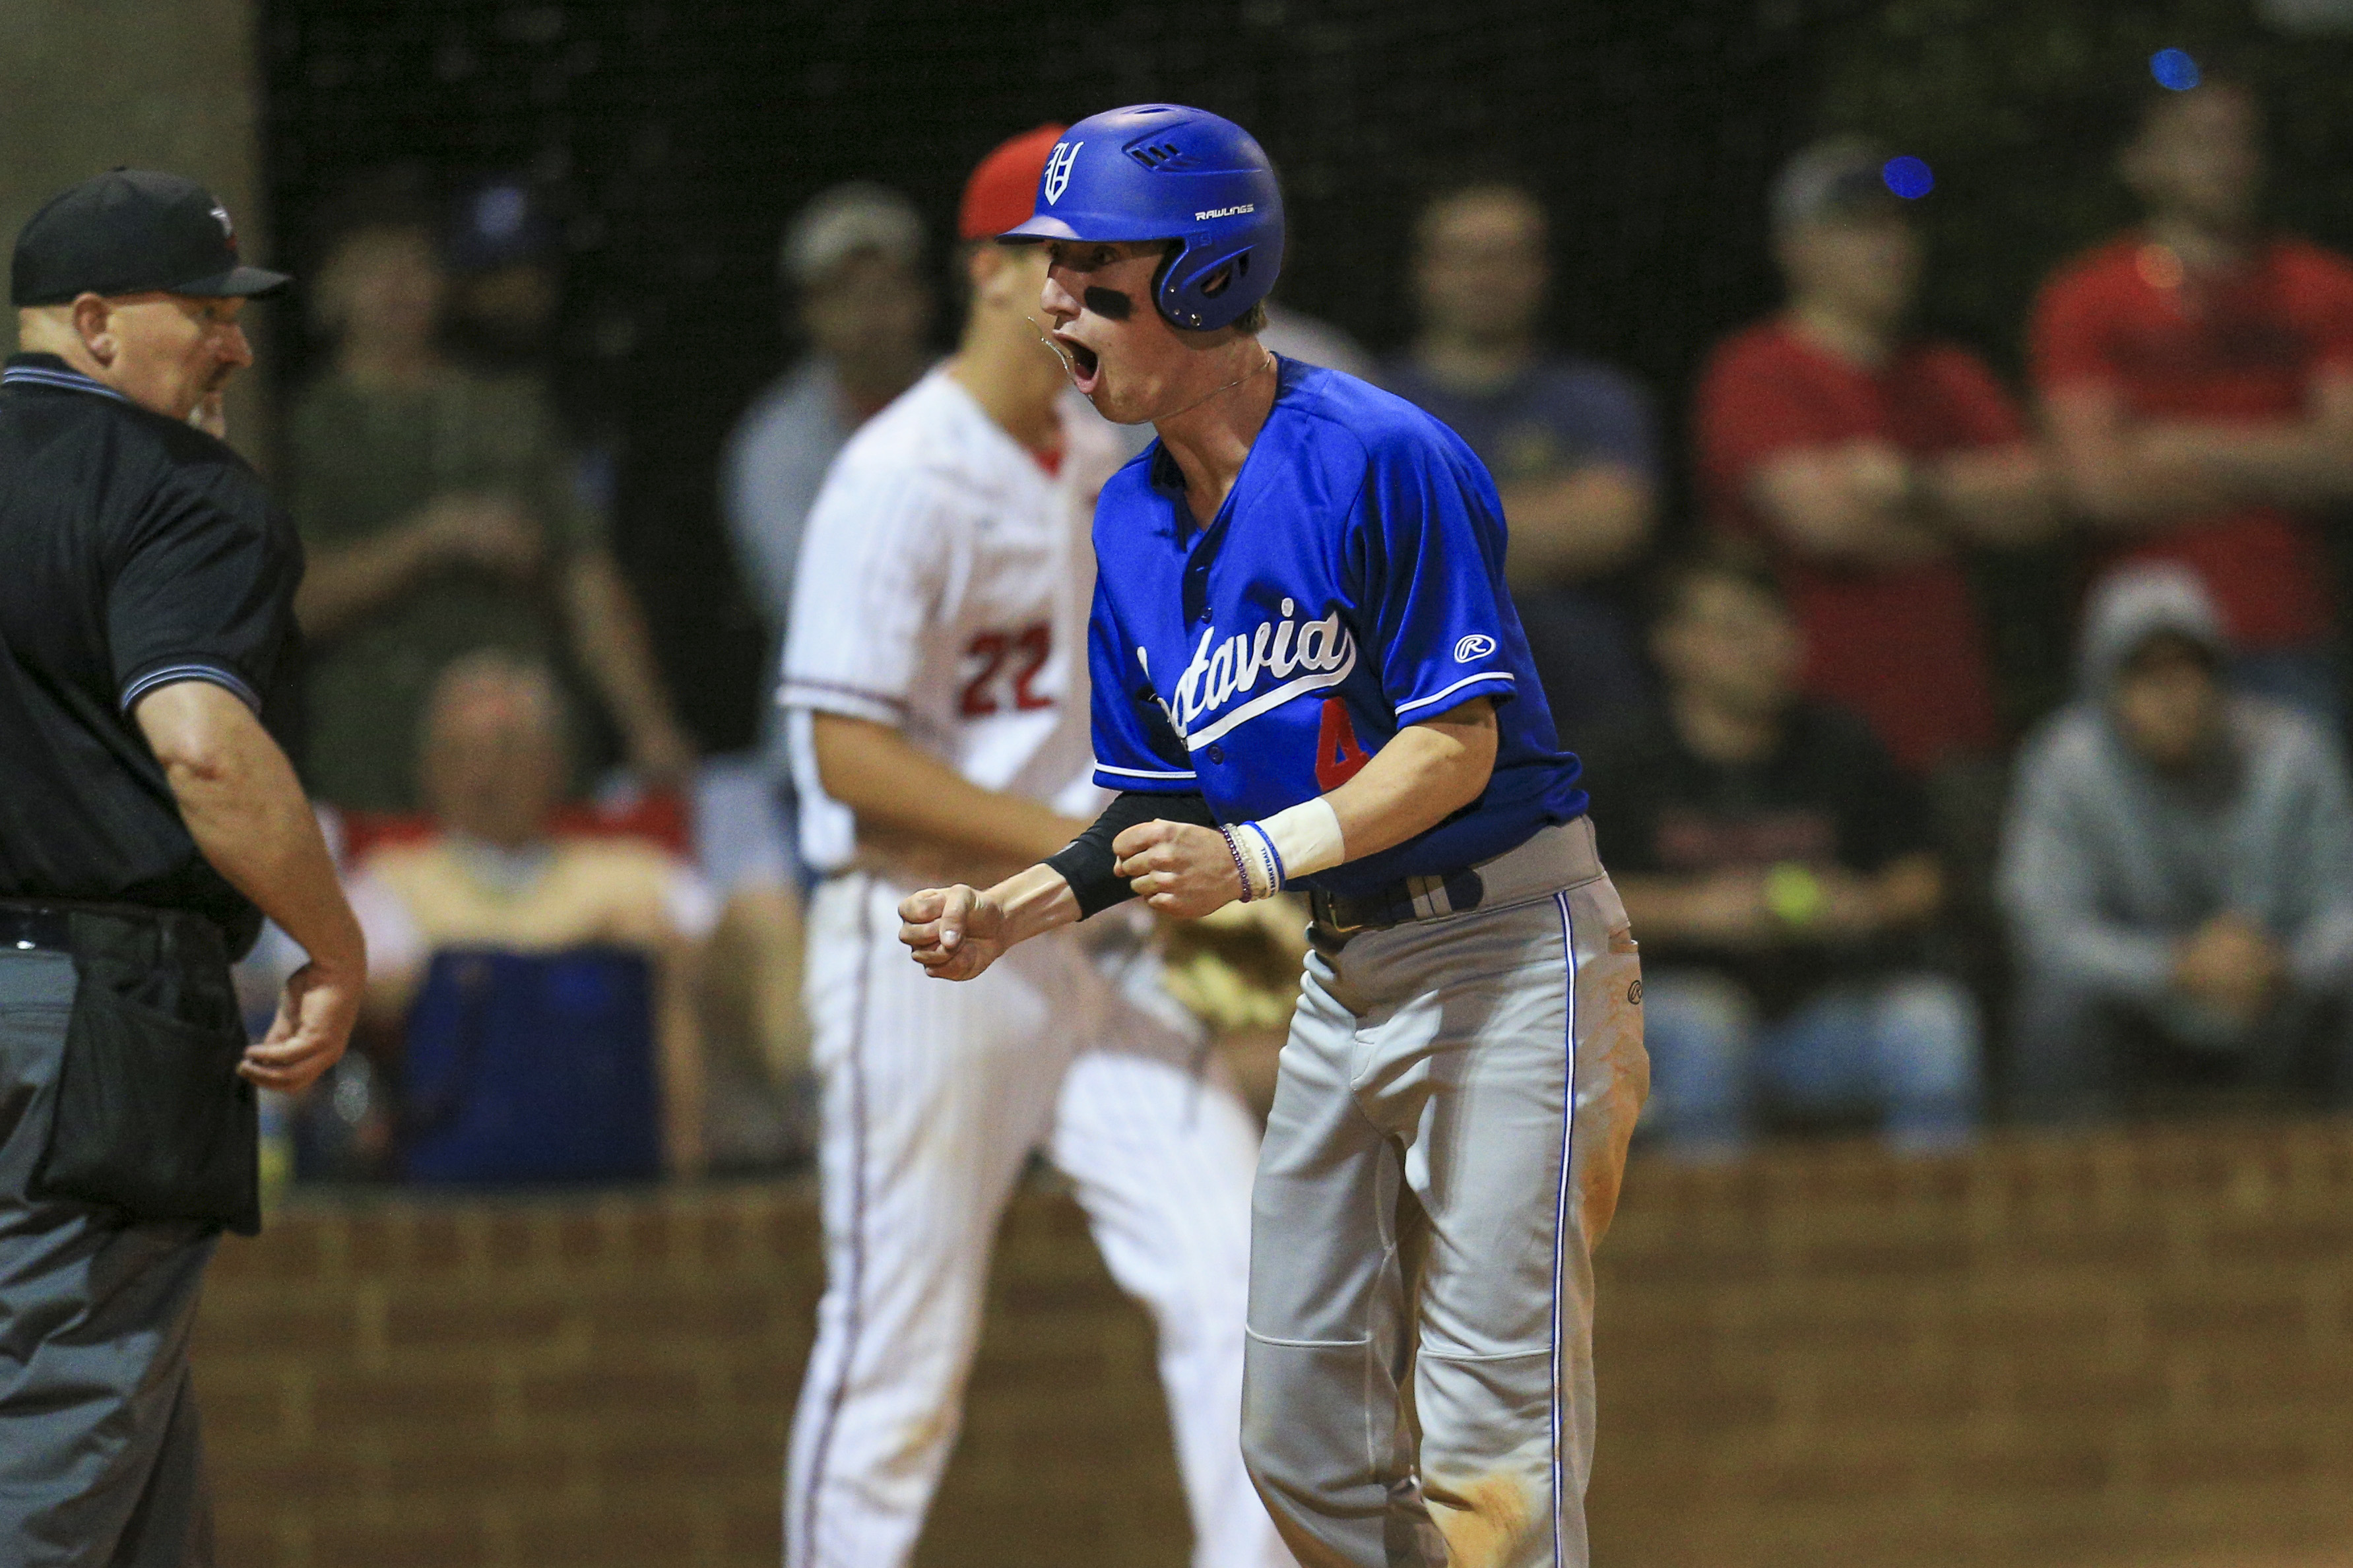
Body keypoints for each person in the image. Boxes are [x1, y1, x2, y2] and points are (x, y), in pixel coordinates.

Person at [905, 106, 1650, 1568]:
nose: (1050, 300)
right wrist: (1024, 906)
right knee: (1296, 1440)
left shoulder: (1380, 454)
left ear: (1200, 274)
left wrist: (1252, 862)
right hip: (1350, 967)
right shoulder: (1127, 520)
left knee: (1494, 1426)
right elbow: (1160, 797)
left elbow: (1456, 741)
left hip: (1514, 952)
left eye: (1087, 268)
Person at [777, 128, 1289, 1568]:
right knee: (901, 1351)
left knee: (1239, 1280)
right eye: (1078, 259)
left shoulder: (1100, 453)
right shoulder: (898, 475)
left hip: (1097, 948)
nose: (1107, 285)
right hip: (927, 946)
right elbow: (848, 764)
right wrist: (1099, 846)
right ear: (995, 273)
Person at [0, 169, 362, 1565]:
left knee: (127, 1466)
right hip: (88, 1014)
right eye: (204, 313)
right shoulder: (179, 487)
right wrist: (333, 946)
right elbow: (205, 748)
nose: (237, 347)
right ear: (92, 323)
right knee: (58, 1445)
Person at [286, 185, 693, 811]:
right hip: (375, 766)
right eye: (372, 269)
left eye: (415, 266)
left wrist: (649, 726)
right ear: (329, 291)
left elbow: (585, 575)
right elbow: (294, 605)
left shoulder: (511, 410)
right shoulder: (305, 427)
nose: (397, 288)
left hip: (530, 752)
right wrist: (433, 540)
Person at [1580, 548, 1980, 1156]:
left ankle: (1935, 1239)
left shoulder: (1840, 744)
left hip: (1818, 1009)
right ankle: (1715, 1247)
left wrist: (1863, 903)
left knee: (1932, 1021)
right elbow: (1560, 898)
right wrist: (1697, 911)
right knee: (1709, 1025)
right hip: (1673, 1012)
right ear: (1673, 645)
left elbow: (1923, 874)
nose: (1766, 648)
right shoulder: (1621, 760)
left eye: (1777, 627)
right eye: (1736, 631)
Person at [1695, 138, 2055, 778]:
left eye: (1898, 224)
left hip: (1954, 726)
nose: (1889, 246)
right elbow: (1827, 524)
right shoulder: (1755, 371)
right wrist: (1966, 511)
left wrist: (1910, 484)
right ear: (1793, 248)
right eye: (1857, 226)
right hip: (1804, 743)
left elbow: (2039, 504)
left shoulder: (1950, 371)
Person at [2033, 75, 2353, 722]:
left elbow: (2344, 462)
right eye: (2195, 142)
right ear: (2138, 163)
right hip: (2137, 651)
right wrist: (2284, 460)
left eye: (2237, 141)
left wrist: (2176, 446)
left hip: (2284, 634)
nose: (2223, 161)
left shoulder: (2322, 288)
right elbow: (2098, 487)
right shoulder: (2083, 299)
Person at [2000, 565, 2353, 1121]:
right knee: (2058, 1009)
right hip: (2141, 1009)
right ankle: (2066, 1201)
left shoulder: (2293, 752)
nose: (2173, 695)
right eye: (2145, 673)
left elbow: (2344, 907)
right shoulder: (2064, 763)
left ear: (2221, 675)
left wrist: (2288, 964)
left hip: (2275, 999)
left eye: (2189, 667)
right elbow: (2043, 926)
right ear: (2103, 685)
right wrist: (2170, 966)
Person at [353, 653, 715, 1174]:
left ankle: (697, 1197)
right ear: (427, 771)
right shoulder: (385, 883)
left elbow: (718, 971)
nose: (484, 776)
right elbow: (369, 995)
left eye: (505, 750)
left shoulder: (638, 873)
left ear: (554, 762)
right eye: (460, 754)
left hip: (626, 1133)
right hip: (457, 1147)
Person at [1381, 180, 1659, 735]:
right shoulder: (1374, 401)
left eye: (1509, 255)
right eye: (1465, 256)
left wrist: (1441, 533)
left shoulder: (1600, 399)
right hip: (1418, 720)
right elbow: (1367, 554)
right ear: (1423, 272)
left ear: (1543, 270)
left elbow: (1615, 525)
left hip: (1591, 718)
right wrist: (1547, 520)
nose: (1488, 275)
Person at [721, 183, 934, 654]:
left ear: (924, 298)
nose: (870, 316)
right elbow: (816, 604)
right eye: (844, 295)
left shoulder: (985, 403)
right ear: (807, 313)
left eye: (887, 290)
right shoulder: (774, 444)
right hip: (831, 710)